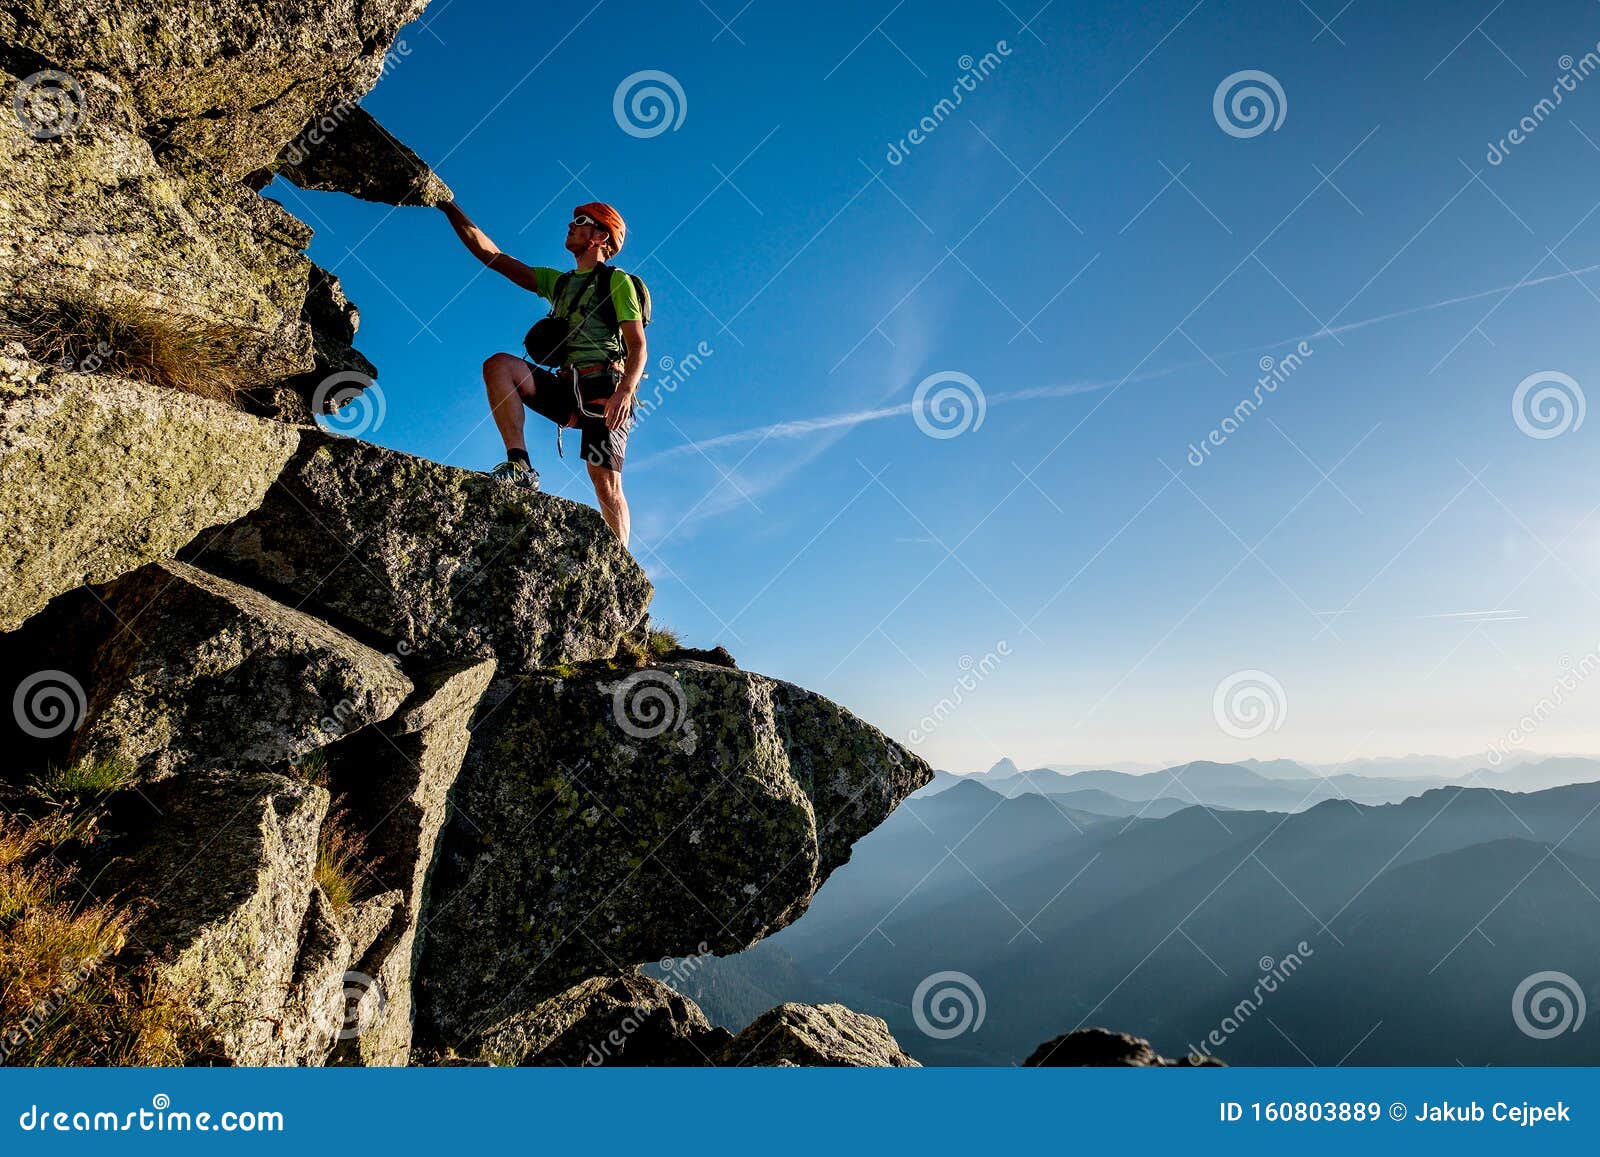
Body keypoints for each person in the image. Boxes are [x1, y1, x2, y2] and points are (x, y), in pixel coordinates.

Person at [438, 199, 646, 546]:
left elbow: (637, 345)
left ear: (599, 236)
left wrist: (625, 390)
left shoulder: (617, 281)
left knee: (604, 481)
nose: (570, 225)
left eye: (580, 221)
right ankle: (519, 465)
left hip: (605, 390)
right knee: (500, 365)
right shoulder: (558, 283)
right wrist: (450, 208)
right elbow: (495, 257)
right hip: (567, 386)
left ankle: (619, 569)